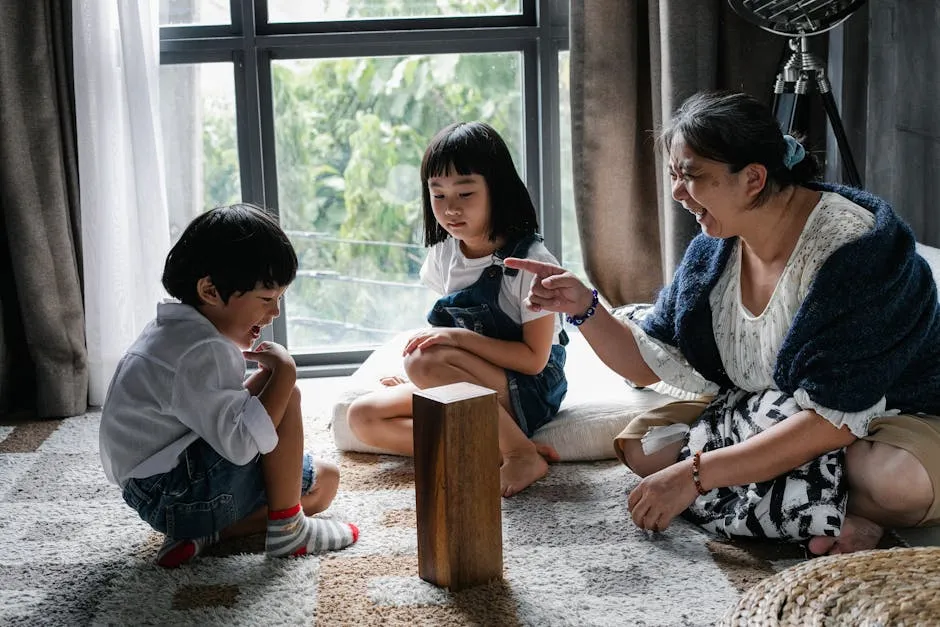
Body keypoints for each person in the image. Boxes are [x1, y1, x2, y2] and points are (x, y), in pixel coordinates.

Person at [506, 90, 940, 554]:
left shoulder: (855, 252)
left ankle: (807, 506)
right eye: (673, 174)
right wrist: (584, 308)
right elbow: (645, 365)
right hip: (765, 410)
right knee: (642, 446)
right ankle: (821, 513)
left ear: (753, 178)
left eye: (690, 176)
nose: (676, 192)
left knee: (897, 483)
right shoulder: (713, 249)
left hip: (888, 413)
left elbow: (831, 422)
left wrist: (694, 475)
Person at [99, 204, 358, 567]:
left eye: (279, 299)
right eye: (266, 299)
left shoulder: (170, 330)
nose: (275, 313)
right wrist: (286, 372)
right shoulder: (204, 350)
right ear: (209, 290)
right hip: (181, 495)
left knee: (271, 396)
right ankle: (288, 529)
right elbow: (239, 446)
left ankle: (208, 533)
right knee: (323, 478)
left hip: (150, 493)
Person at [347, 121, 569, 497]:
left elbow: (534, 360)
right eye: (438, 195)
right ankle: (497, 449)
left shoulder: (530, 262)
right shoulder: (445, 253)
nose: (450, 209)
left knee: (422, 360)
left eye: (465, 194)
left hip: (527, 392)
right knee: (363, 417)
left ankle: (519, 451)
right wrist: (436, 377)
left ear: (496, 190)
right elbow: (444, 338)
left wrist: (450, 345)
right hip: (472, 387)